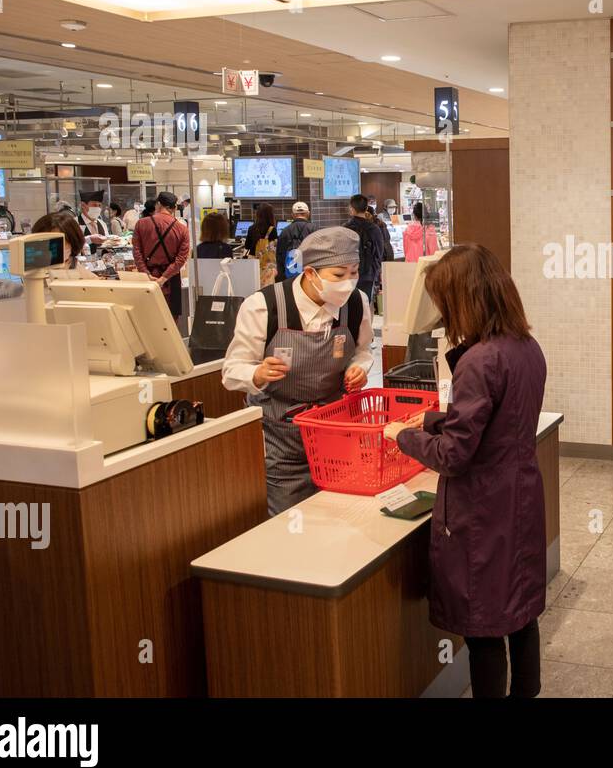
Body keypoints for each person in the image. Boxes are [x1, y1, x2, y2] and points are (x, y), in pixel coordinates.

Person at [383, 244, 547, 698]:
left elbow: (454, 455)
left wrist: (401, 435)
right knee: (519, 612)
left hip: (482, 511)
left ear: (464, 299)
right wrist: (434, 419)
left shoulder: (479, 360)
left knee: (483, 626)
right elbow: (502, 421)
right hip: (521, 496)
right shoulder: (525, 347)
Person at [222, 227, 374, 515]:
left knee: (340, 518)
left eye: (354, 273)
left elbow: (363, 351)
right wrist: (257, 373)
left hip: (335, 432)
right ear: (310, 273)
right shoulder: (264, 306)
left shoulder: (356, 304)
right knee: (291, 524)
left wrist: (358, 368)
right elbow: (232, 370)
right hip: (281, 439)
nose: (348, 282)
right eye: (339, 275)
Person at [131, 190, 190, 321]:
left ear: (158, 205)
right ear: (174, 208)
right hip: (171, 280)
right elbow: (181, 259)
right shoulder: (182, 229)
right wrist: (163, 278)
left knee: (148, 320)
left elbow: (136, 252)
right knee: (171, 321)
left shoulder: (141, 224)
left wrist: (145, 273)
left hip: (147, 278)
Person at [344, 193, 391, 308]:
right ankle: (366, 325)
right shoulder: (374, 228)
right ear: (366, 208)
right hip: (368, 273)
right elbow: (379, 252)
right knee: (365, 303)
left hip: (349, 272)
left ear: (352, 209)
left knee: (350, 305)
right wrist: (376, 270)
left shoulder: (346, 228)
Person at [276, 201, 317, 281]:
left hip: (290, 273)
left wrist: (281, 276)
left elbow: (279, 255)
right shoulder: (314, 229)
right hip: (309, 271)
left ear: (293, 215)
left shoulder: (285, 231)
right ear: (308, 213)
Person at [246, 203, 278, 286]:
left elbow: (247, 246)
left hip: (253, 261)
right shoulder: (272, 229)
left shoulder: (251, 228)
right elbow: (274, 248)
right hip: (267, 263)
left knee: (254, 285)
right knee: (267, 286)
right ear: (270, 215)